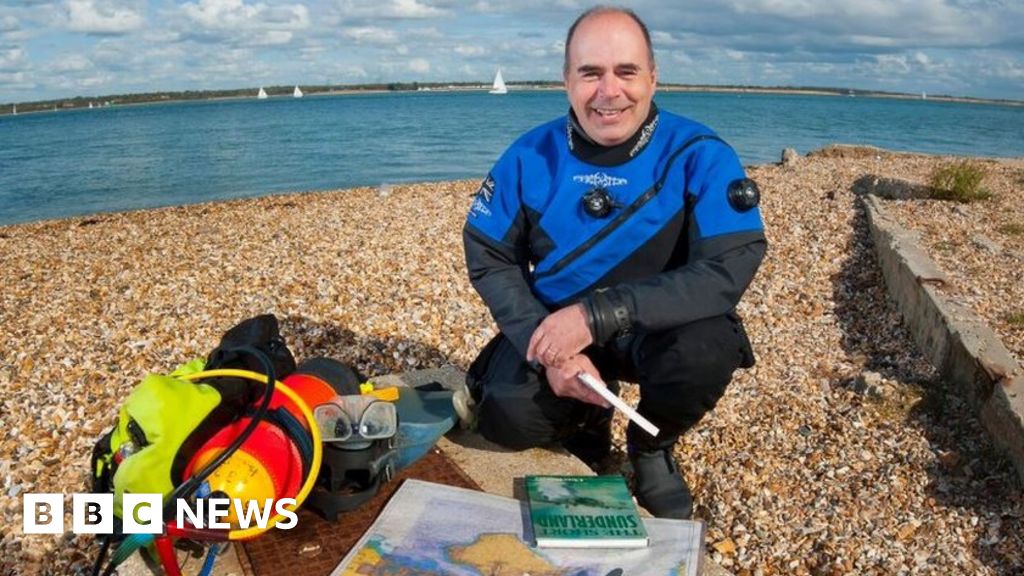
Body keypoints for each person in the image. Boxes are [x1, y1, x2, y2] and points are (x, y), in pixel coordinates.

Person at [462, 5, 765, 519]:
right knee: (505, 421)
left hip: (657, 329)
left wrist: (597, 316)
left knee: (706, 350)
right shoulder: (530, 155)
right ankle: (586, 419)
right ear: (566, 81)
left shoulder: (699, 153)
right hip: (558, 326)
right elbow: (489, 255)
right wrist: (547, 349)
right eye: (590, 73)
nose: (609, 91)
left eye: (626, 71)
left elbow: (732, 261)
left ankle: (652, 445)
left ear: (653, 77)